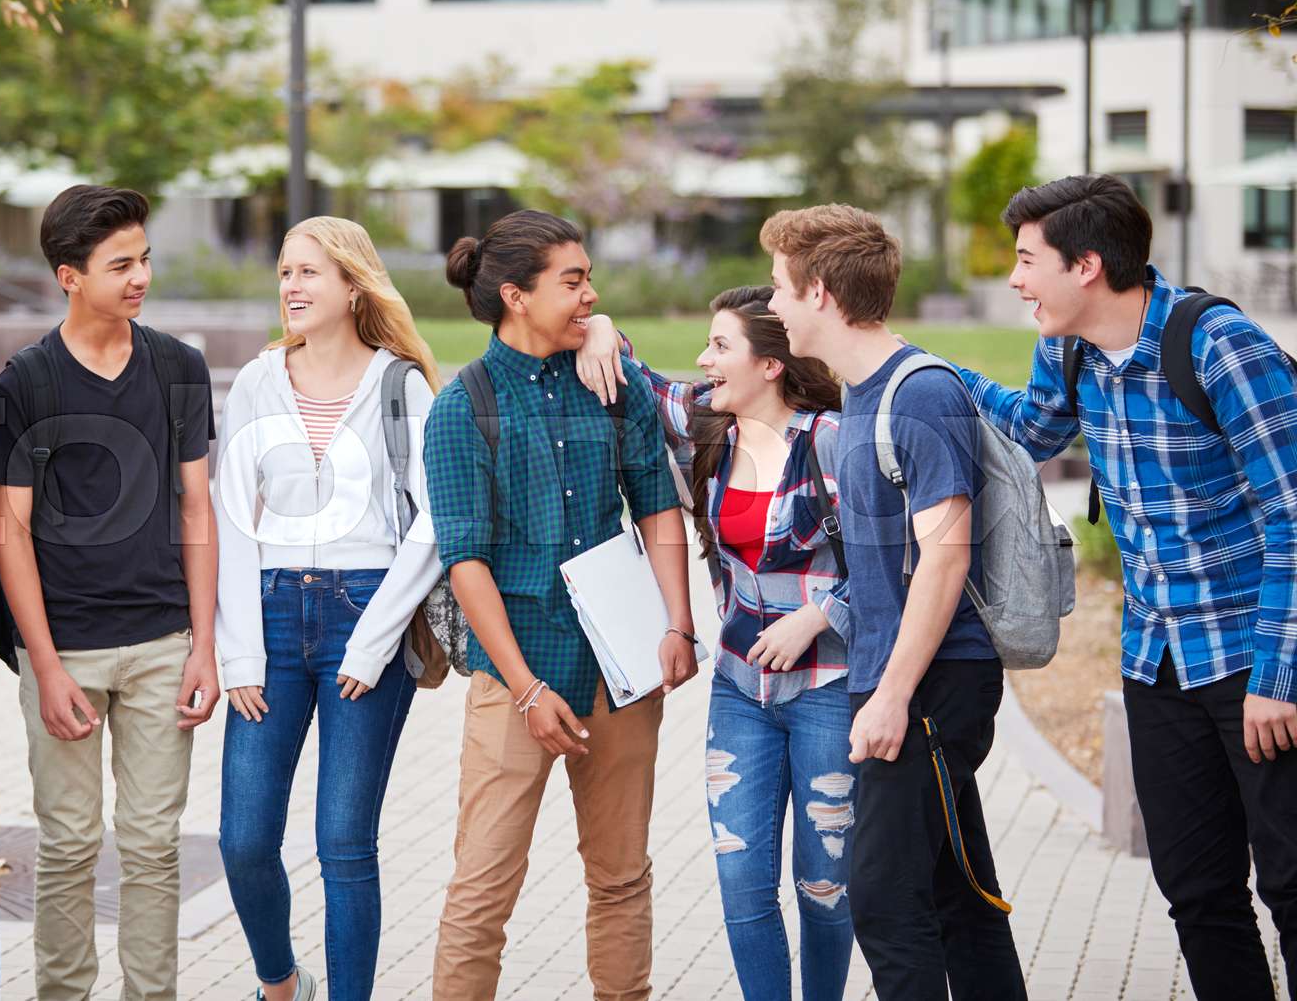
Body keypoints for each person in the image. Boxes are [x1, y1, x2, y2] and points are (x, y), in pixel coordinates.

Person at [946, 175, 1297, 1001]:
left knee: (1291, 885)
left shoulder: (1219, 348)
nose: (1015, 280)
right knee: (1198, 892)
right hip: (1156, 663)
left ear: (1088, 265)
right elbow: (1028, 431)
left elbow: (1292, 516)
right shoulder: (1068, 350)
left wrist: (1278, 681)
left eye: (1028, 260)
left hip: (1256, 662)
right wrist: (925, 371)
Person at [425, 209, 697, 1000]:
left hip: (620, 671)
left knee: (621, 878)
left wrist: (678, 622)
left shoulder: (609, 383)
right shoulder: (462, 407)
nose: (591, 293)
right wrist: (526, 688)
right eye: (572, 281)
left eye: (588, 279)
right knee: (482, 892)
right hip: (518, 680)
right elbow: (465, 562)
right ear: (516, 295)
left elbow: (655, 504)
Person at [761, 204, 1027, 1000]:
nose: (771, 305)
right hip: (908, 678)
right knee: (959, 895)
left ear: (819, 293)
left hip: (932, 683)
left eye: (779, 287)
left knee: (882, 899)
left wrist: (893, 695)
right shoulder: (863, 396)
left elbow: (945, 557)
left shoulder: (919, 393)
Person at [576, 285, 856, 1001]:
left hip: (830, 694)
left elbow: (897, 563)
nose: (704, 359)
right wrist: (603, 321)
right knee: (741, 880)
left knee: (825, 886)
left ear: (771, 365)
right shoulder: (710, 430)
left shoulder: (832, 440)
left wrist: (822, 614)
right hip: (740, 692)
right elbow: (638, 378)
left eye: (722, 346)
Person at [0, 184, 220, 1001]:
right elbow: (9, 531)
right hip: (67, 648)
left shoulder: (178, 367)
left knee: (155, 845)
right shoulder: (26, 381)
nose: (141, 276)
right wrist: (42, 666)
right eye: (120, 264)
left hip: (162, 646)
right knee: (70, 841)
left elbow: (198, 507)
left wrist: (205, 647)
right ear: (68, 275)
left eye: (145, 258)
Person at [213, 216, 444, 1001]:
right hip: (271, 619)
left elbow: (432, 525)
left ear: (353, 284)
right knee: (243, 840)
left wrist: (373, 643)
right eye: (284, 272)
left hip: (364, 616)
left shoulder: (400, 384)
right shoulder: (256, 379)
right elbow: (231, 518)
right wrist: (239, 652)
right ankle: (281, 983)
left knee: (344, 842)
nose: (292, 286)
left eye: (310, 272)